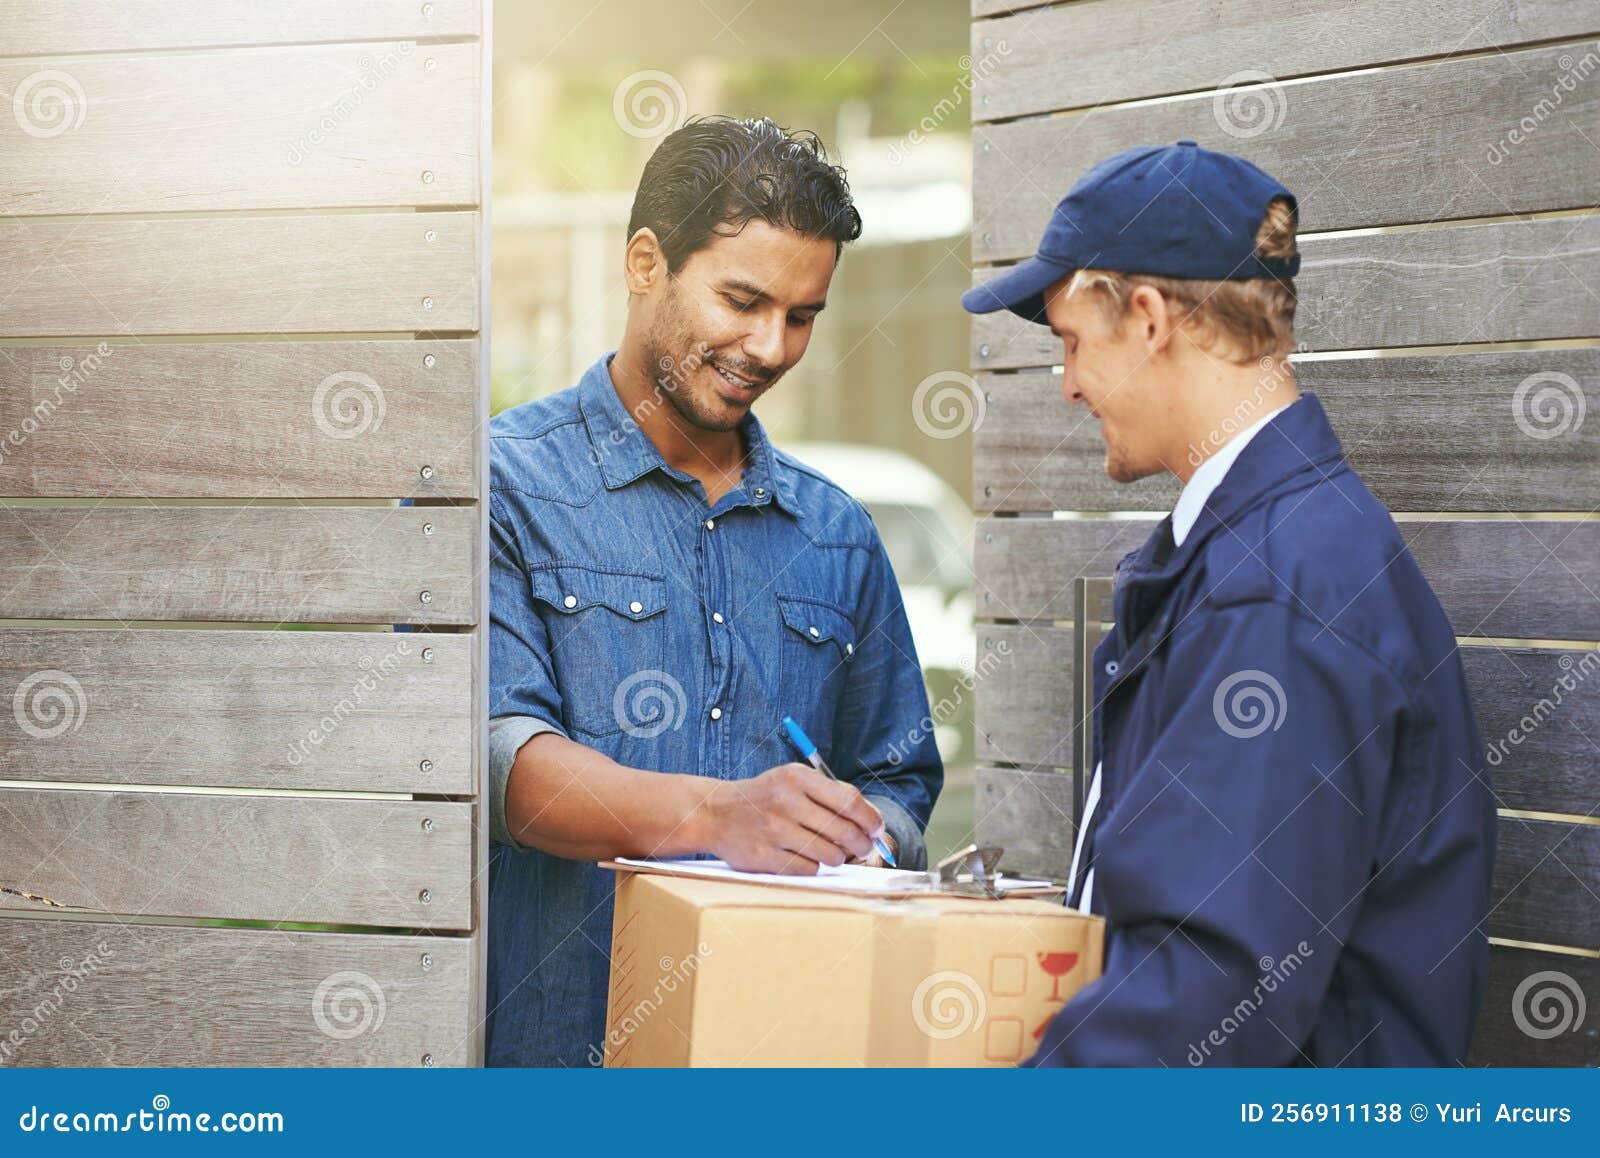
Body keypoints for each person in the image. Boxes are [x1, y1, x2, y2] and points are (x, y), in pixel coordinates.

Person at [963, 141, 1495, 1066]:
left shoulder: (1278, 593)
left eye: (1071, 341)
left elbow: (1203, 994)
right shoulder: (1258, 555)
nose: (1069, 382)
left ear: (1149, 317)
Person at [487, 116, 942, 1066]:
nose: (770, 347)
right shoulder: (501, 487)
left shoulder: (838, 536)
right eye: (742, 300)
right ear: (646, 263)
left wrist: (856, 838)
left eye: (803, 315)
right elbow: (505, 768)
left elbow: (900, 780)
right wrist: (719, 817)